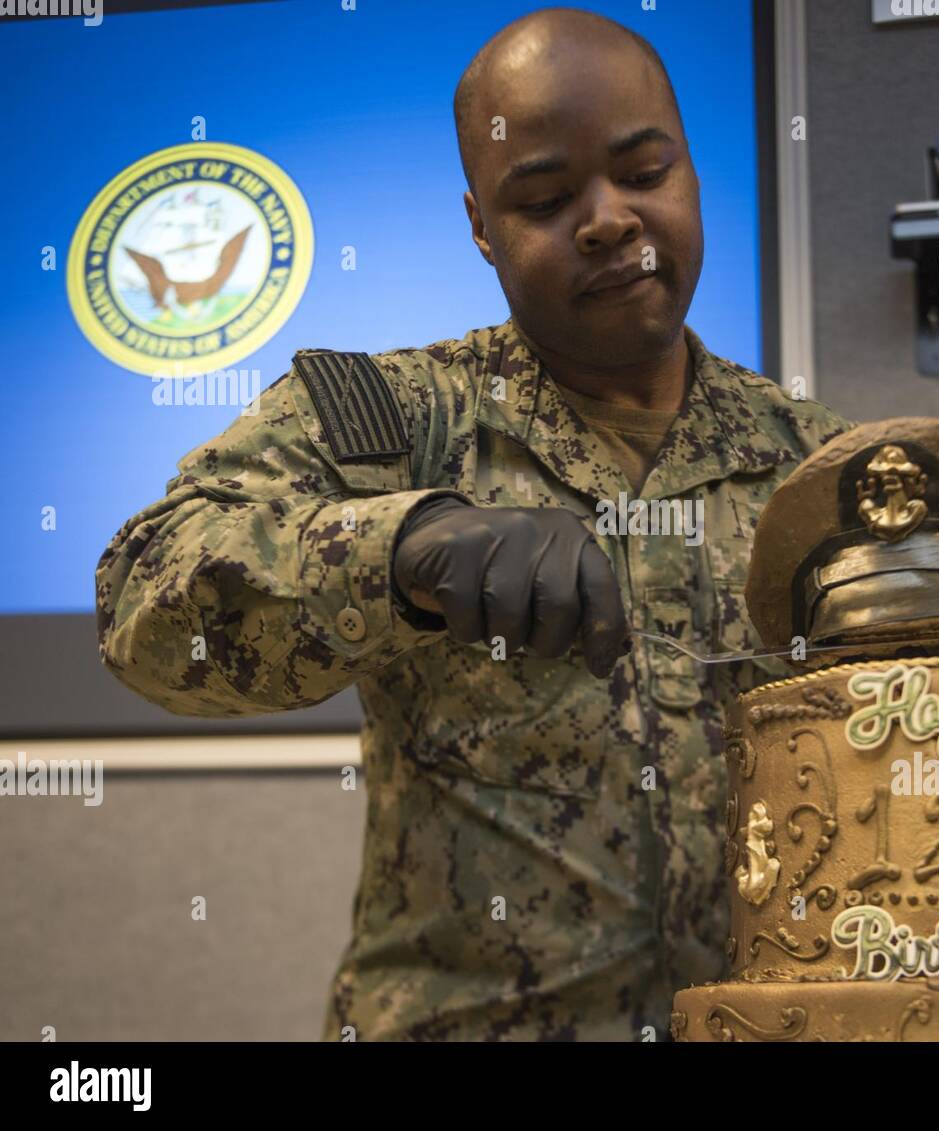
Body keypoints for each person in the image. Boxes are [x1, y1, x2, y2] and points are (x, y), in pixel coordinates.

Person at [95, 6, 854, 1040]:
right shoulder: (390, 423)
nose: (608, 220)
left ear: (691, 175)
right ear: (480, 226)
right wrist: (402, 550)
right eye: (544, 197)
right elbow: (143, 601)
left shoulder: (822, 465)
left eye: (644, 174)